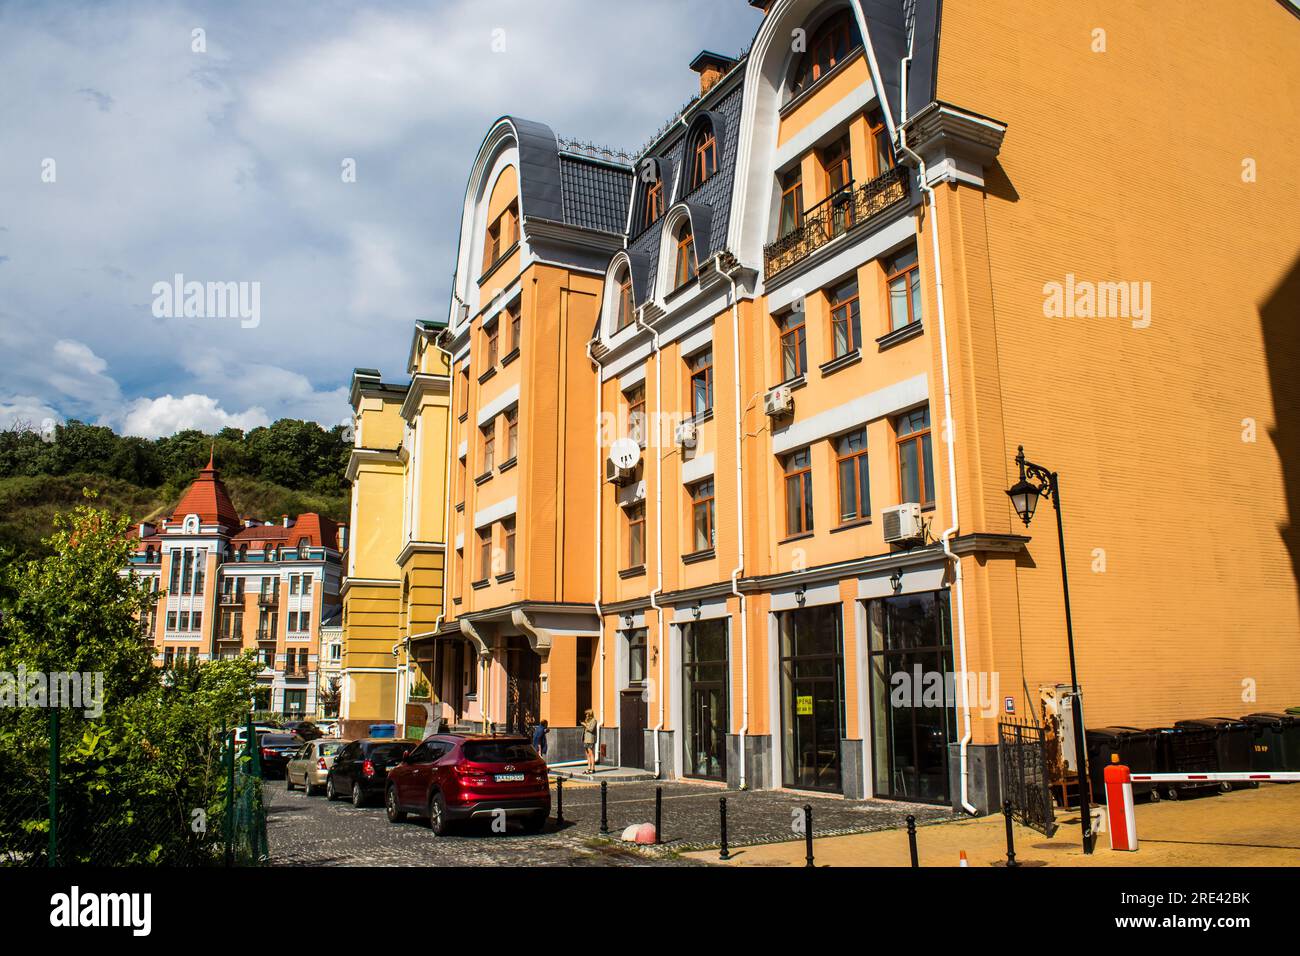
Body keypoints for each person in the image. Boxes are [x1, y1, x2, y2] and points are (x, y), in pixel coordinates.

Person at [581, 709, 598, 774]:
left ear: (590, 714)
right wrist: (585, 724)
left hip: (590, 739)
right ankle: (588, 768)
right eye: (586, 714)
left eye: (587, 714)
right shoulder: (587, 720)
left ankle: (593, 768)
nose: (586, 715)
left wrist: (585, 725)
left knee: (591, 753)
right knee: (587, 754)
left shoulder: (594, 720)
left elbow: (591, 729)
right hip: (586, 738)